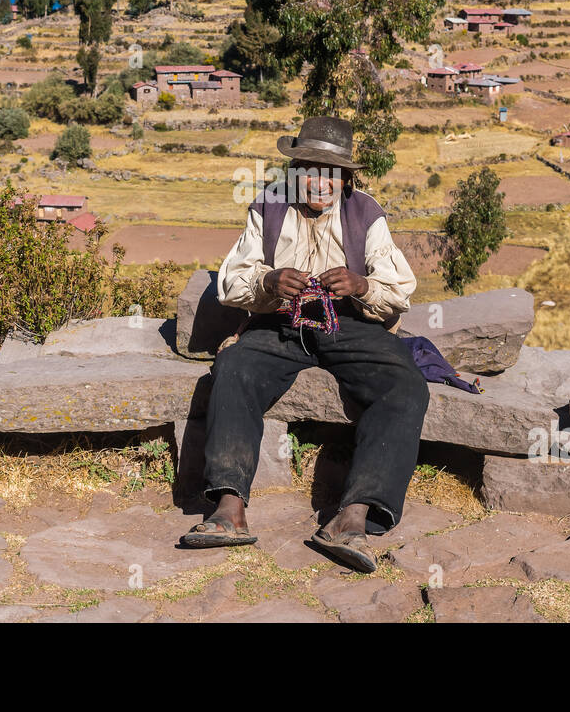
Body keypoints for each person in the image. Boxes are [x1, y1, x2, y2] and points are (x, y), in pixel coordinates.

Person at [178, 115, 428, 573]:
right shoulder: (268, 207)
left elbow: (400, 290)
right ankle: (229, 509)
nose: (318, 181)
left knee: (405, 387)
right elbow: (232, 282)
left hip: (349, 326)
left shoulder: (366, 213)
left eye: (330, 172)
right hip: (278, 325)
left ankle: (352, 517)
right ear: (294, 171)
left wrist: (360, 285)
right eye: (309, 169)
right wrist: (269, 281)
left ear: (346, 177)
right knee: (234, 370)